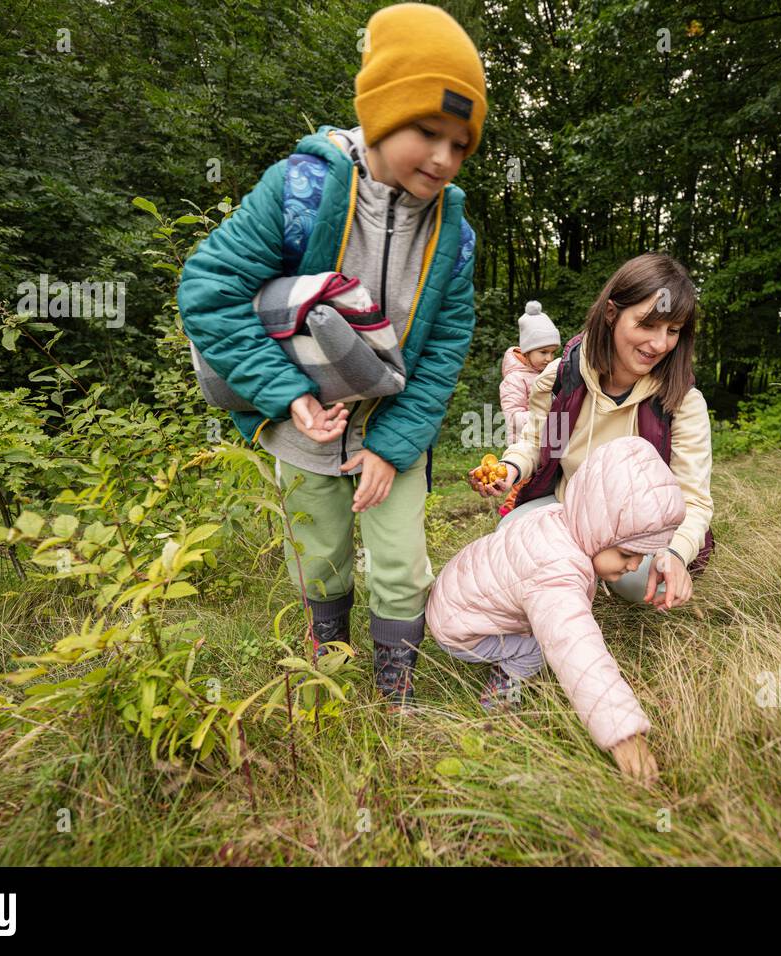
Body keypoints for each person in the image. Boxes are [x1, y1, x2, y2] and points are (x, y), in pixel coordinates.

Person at [178, 2, 486, 703]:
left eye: (461, 143)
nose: (443, 157)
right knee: (320, 550)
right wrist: (284, 391)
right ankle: (330, 649)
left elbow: (443, 349)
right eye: (426, 131)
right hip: (298, 416)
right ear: (380, 114)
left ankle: (394, 681)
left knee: (402, 557)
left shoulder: (455, 236)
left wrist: (396, 444)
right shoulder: (299, 190)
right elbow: (207, 290)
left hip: (392, 421)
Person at [429, 438, 686, 785]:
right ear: (598, 531)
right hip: (461, 629)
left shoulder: (558, 518)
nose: (634, 565)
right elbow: (575, 649)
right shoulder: (556, 572)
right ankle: (501, 696)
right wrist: (623, 735)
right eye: (627, 554)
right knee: (539, 648)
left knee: (542, 628)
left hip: (457, 594)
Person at [470, 252, 715, 609]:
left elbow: (692, 498)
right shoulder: (561, 376)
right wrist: (510, 468)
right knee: (509, 541)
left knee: (652, 588)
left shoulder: (682, 402)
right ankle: (576, 574)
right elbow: (539, 442)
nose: (660, 344)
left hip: (638, 532)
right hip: (567, 508)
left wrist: (676, 553)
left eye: (673, 330)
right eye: (647, 324)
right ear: (612, 313)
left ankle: (599, 569)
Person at [497, 300, 560, 515]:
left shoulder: (549, 374)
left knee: (540, 489)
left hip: (548, 444)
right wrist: (544, 416)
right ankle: (508, 517)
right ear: (527, 350)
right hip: (525, 445)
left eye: (552, 352)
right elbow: (513, 415)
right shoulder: (515, 379)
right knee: (520, 489)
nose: (549, 358)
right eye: (543, 352)